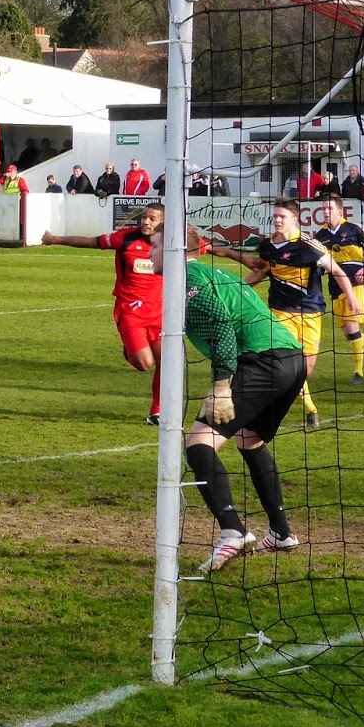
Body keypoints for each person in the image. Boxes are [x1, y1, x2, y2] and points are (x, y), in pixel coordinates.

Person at [150, 223, 305, 574]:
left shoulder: (188, 278)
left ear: (173, 249)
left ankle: (233, 531)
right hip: (291, 359)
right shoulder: (212, 273)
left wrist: (222, 386)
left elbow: (221, 327)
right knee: (249, 440)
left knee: (198, 443)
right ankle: (281, 533)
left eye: (155, 245)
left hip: (262, 360)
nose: (149, 252)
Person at [42, 206, 170, 425]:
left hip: (158, 312)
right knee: (144, 364)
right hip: (130, 311)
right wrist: (55, 239)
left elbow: (207, 248)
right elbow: (91, 242)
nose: (146, 222)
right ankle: (130, 351)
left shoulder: (173, 242)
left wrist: (236, 257)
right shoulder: (125, 239)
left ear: (163, 222)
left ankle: (156, 412)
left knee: (165, 362)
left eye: (152, 218)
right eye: (144, 217)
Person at [245, 199, 361, 429]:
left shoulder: (309, 245)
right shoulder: (267, 246)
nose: (277, 220)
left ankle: (301, 404)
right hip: (280, 311)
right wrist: (238, 288)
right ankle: (310, 409)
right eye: (275, 216)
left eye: (282, 216)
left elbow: (336, 270)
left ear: (295, 219)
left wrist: (352, 296)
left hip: (310, 311)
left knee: (306, 368)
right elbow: (263, 272)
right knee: (288, 362)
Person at [316, 195, 364, 387]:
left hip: (356, 283)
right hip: (335, 286)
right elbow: (320, 265)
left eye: (330, 208)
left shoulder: (355, 229)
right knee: (347, 333)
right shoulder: (320, 236)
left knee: (352, 327)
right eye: (324, 209)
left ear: (340, 211)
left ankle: (358, 373)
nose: (326, 212)